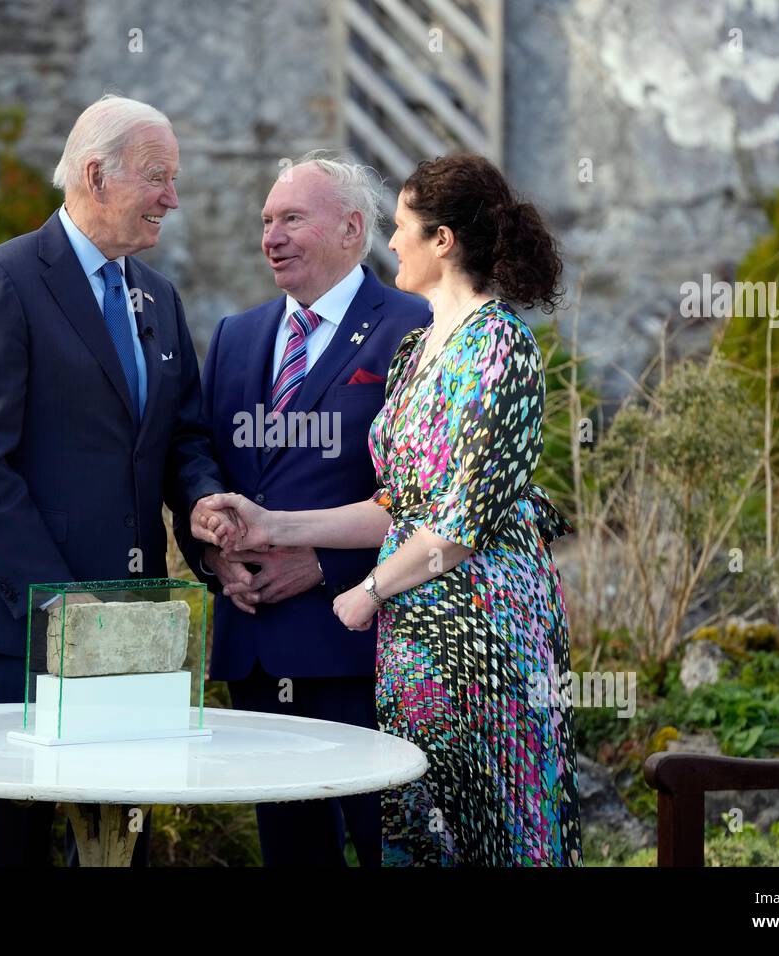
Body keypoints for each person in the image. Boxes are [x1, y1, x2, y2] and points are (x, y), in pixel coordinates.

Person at [196, 154, 582, 866]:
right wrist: (271, 526)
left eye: (402, 228)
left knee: (489, 832)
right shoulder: (416, 349)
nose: (391, 241)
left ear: (444, 241)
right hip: (413, 643)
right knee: (422, 841)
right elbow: (395, 503)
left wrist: (366, 590)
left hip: (482, 637)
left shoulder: (503, 346)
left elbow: (461, 520)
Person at [0, 94, 236, 866]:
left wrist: (204, 511)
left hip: (130, 625)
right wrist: (59, 602)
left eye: (174, 179)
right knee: (9, 844)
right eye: (158, 178)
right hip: (17, 620)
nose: (173, 198)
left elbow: (179, 438)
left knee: (115, 841)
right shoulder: (5, 281)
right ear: (96, 175)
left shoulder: (158, 298)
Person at [174, 153, 430, 866]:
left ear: (352, 228)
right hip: (254, 642)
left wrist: (324, 564)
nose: (272, 236)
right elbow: (197, 451)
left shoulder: (416, 327)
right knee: (290, 852)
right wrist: (212, 543)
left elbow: (430, 495)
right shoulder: (237, 335)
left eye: (291, 218)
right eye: (265, 221)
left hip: (366, 642)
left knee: (389, 847)